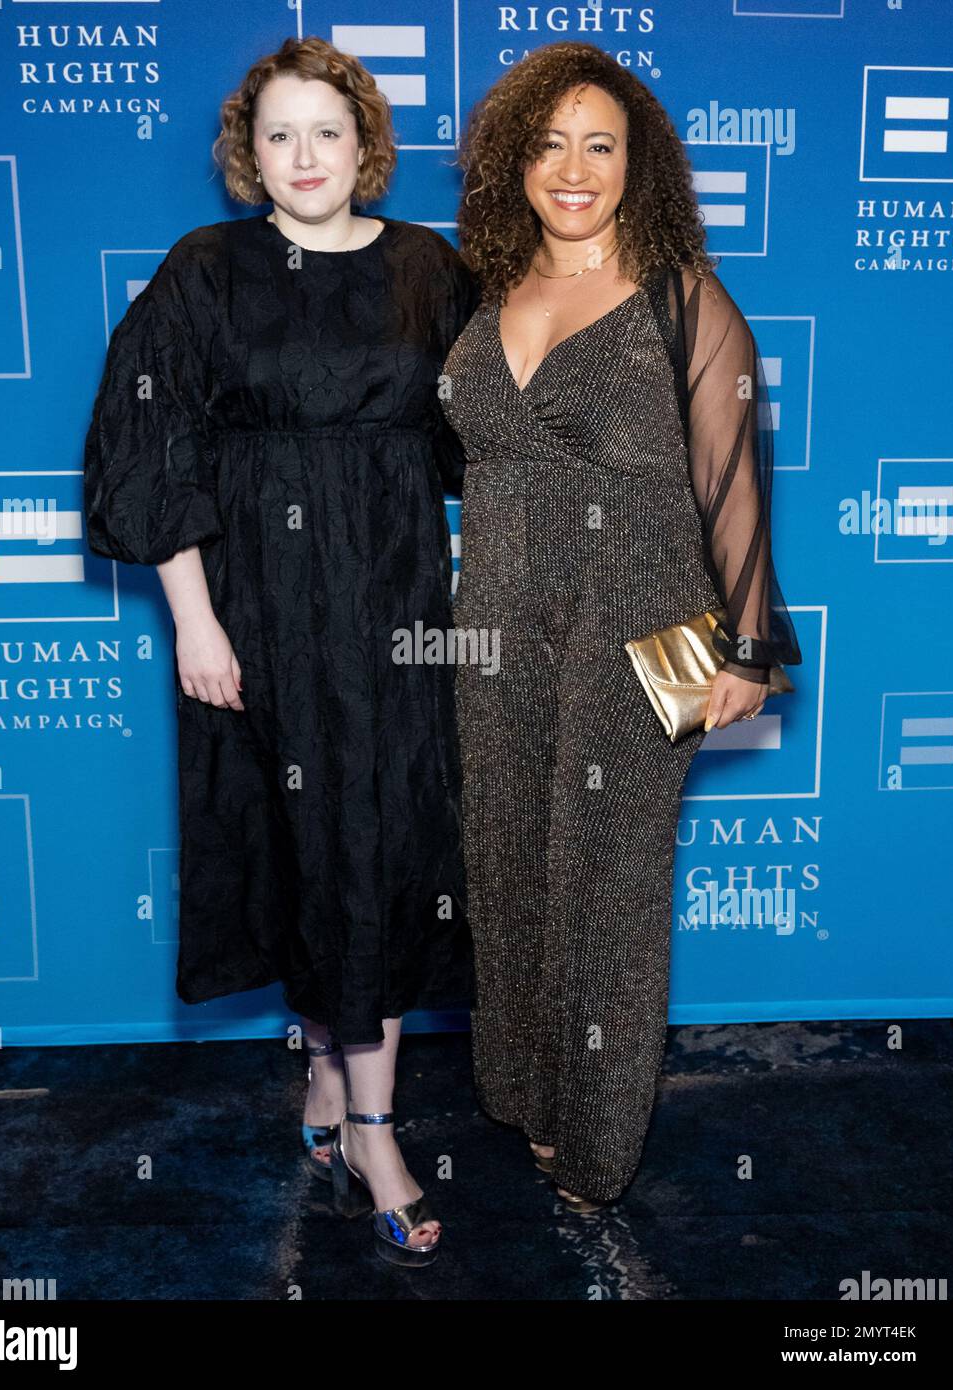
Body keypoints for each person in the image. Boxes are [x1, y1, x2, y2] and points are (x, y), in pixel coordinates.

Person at [83, 35, 480, 1264]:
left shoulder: (430, 269)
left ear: (367, 143)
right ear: (244, 155)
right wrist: (194, 620)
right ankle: (349, 1106)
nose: (304, 157)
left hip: (396, 605)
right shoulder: (206, 271)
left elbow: (498, 439)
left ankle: (361, 1114)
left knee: (390, 846)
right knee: (305, 846)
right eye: (277, 135)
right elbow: (151, 451)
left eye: (327, 131)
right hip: (257, 611)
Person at [442, 42, 801, 1213]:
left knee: (602, 886)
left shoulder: (682, 298)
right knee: (505, 868)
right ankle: (526, 1091)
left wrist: (746, 649)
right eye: (548, 142)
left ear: (637, 165)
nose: (574, 166)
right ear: (512, 162)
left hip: (638, 623)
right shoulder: (491, 295)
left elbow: (735, 480)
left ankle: (589, 1145)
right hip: (494, 626)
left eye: (601, 143)